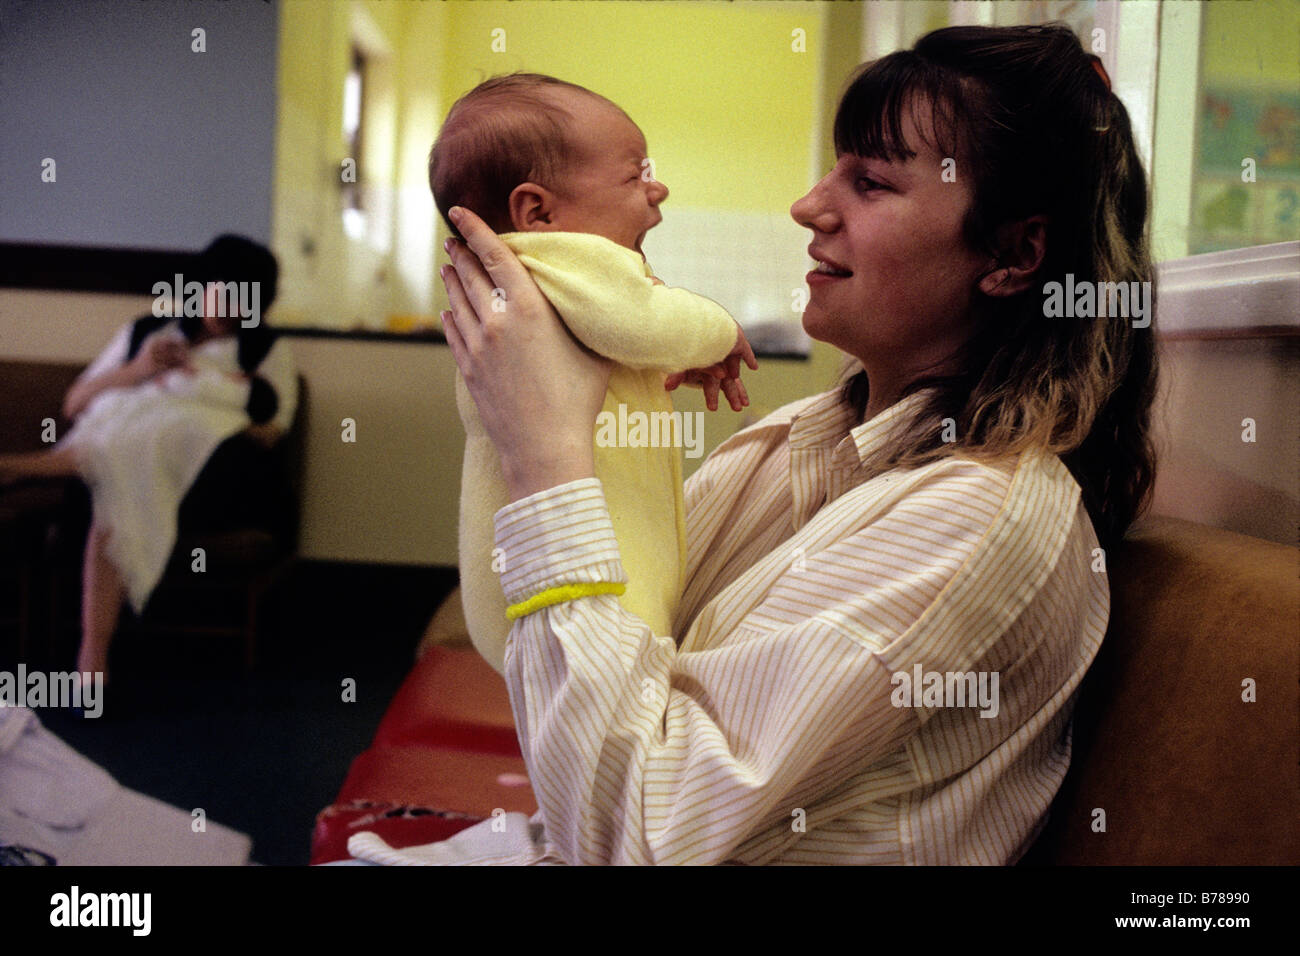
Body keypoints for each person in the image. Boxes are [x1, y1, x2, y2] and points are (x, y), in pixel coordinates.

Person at [350, 22, 1158, 865]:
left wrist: (544, 455)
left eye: (872, 182)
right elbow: (626, 658)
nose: (809, 206)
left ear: (1014, 253)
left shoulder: (981, 517)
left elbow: (631, 839)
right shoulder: (801, 439)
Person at [429, 73, 756, 674]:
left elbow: (616, 332)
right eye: (634, 175)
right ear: (537, 211)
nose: (657, 188)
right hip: (562, 575)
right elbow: (635, 319)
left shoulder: (533, 275)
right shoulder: (557, 258)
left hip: (530, 572)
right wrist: (718, 330)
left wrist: (664, 353)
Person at [0, 235, 297, 679]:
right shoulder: (146, 334)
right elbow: (74, 403)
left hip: (210, 481)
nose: (231, 308)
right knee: (119, 482)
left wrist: (213, 392)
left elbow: (272, 431)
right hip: (122, 476)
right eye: (223, 292)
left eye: (244, 298)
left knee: (141, 448)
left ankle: (18, 468)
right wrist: (139, 372)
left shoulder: (269, 351)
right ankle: (92, 663)